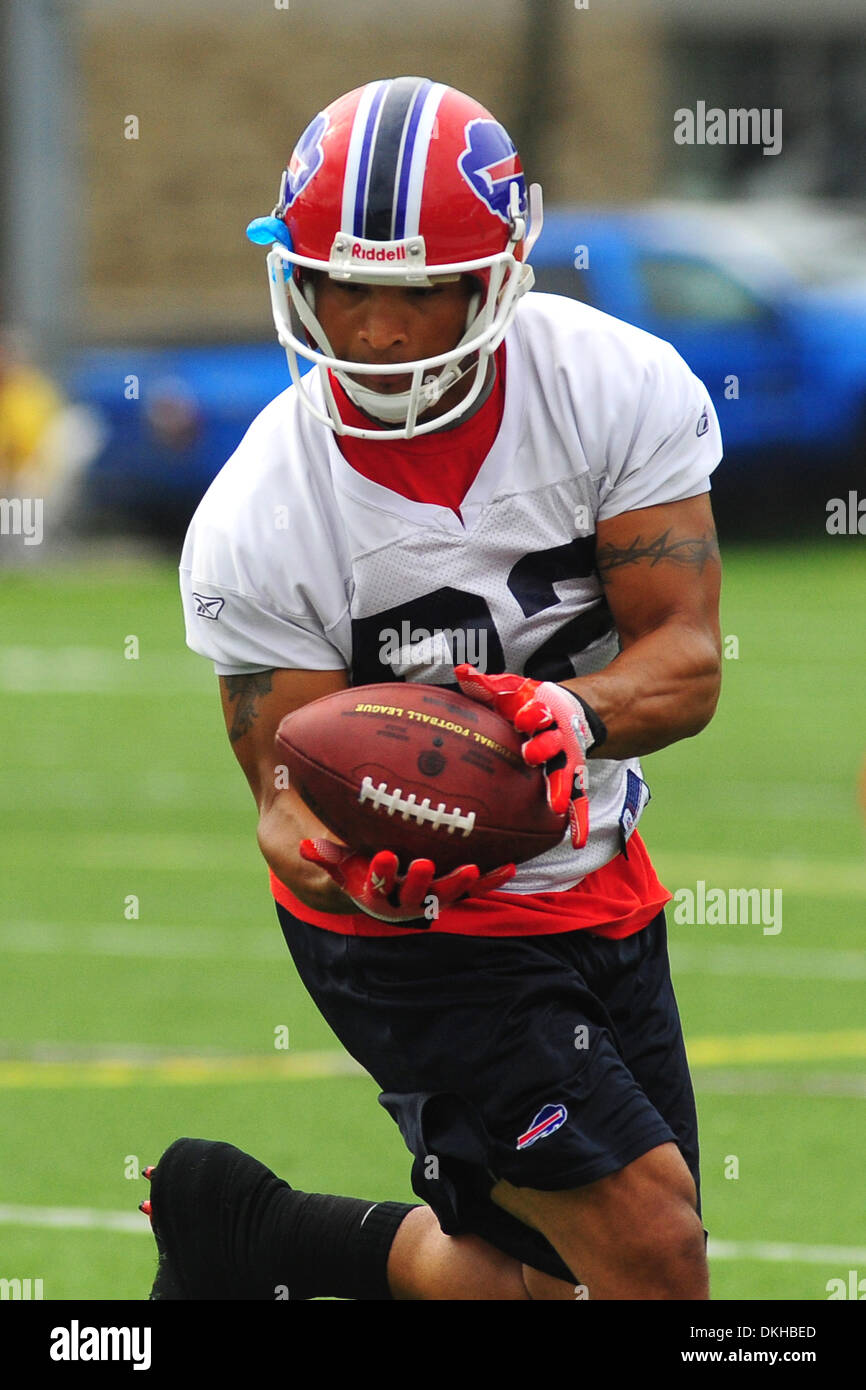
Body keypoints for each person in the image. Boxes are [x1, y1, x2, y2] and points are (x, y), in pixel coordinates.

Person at [156, 76, 724, 1301]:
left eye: (411, 292)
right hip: (407, 929)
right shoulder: (262, 512)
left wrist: (575, 714)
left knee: (546, 1283)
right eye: (339, 284)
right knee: (653, 1254)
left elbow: (685, 660)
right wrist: (348, 853)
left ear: (495, 276)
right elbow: (282, 796)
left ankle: (247, 1237)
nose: (368, 330)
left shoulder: (612, 387)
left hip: (591, 868)